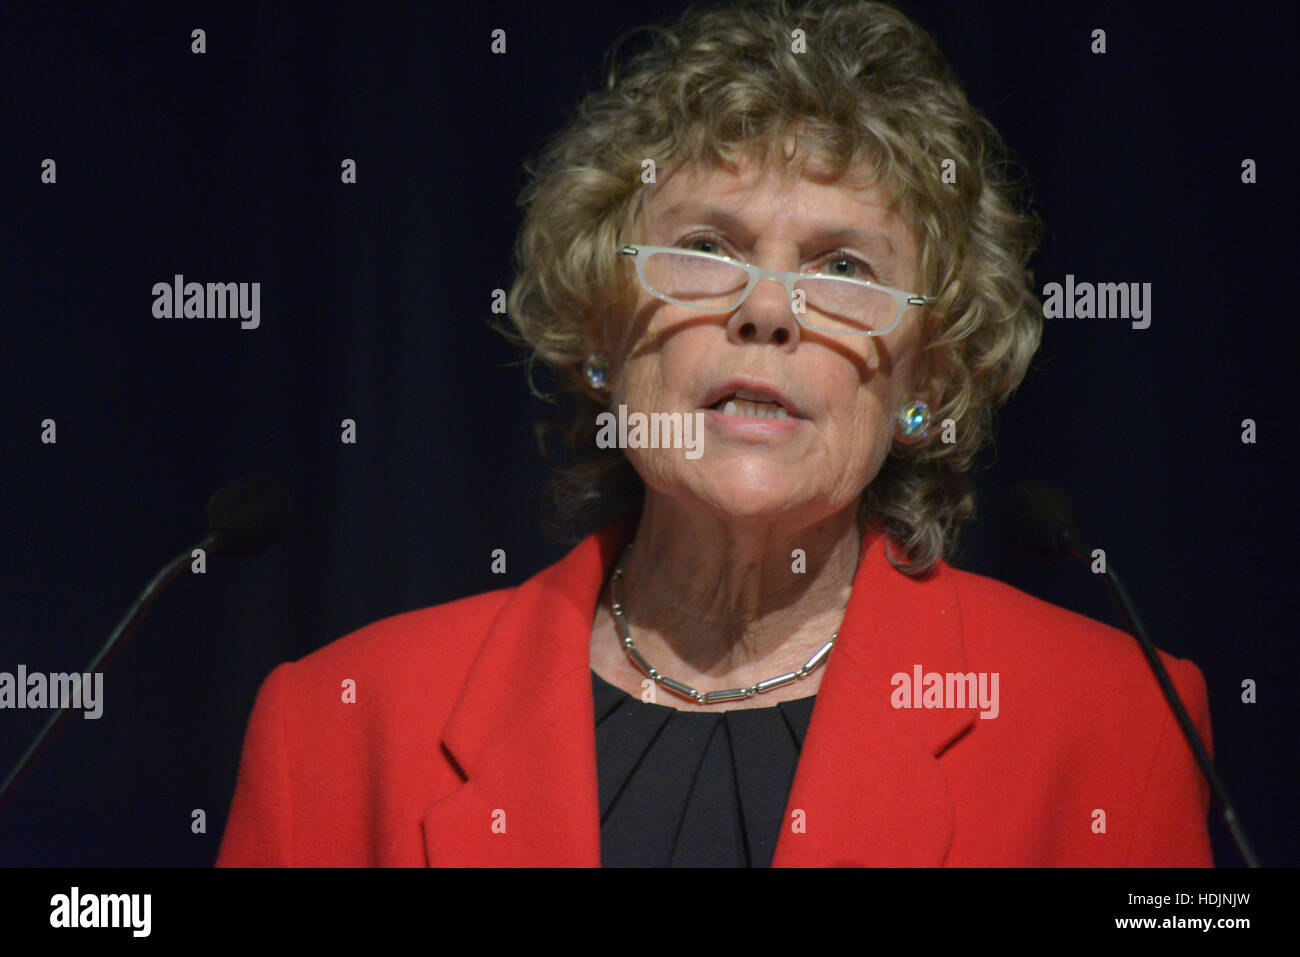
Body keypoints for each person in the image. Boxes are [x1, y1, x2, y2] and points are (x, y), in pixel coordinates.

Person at [216, 0, 1213, 867]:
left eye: (844, 269)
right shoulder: (341, 724)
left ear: (928, 376)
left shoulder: (1110, 724)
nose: (766, 310)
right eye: (705, 248)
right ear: (601, 331)